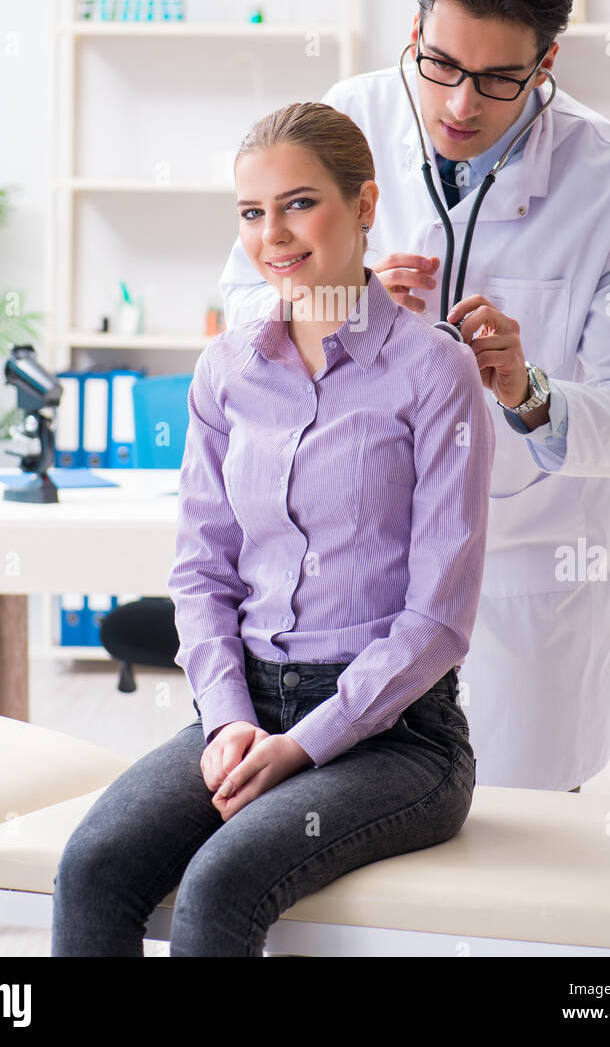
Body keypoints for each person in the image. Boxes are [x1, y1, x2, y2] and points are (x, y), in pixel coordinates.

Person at [219, 0, 610, 793]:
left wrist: (528, 390)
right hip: (342, 581)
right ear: (413, 35)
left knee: (517, 872)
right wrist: (335, 297)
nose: (459, 105)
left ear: (546, 66)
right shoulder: (343, 121)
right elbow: (239, 313)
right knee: (338, 865)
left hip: (519, 587)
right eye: (439, 66)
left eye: (498, 78)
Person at [51, 102, 495, 957]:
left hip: (395, 737)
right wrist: (225, 722)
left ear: (364, 206)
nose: (273, 236)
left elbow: (439, 619)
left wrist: (303, 745)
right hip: (244, 710)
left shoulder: (432, 369)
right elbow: (202, 573)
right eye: (252, 213)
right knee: (95, 865)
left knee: (219, 885)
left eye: (299, 204)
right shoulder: (226, 368)